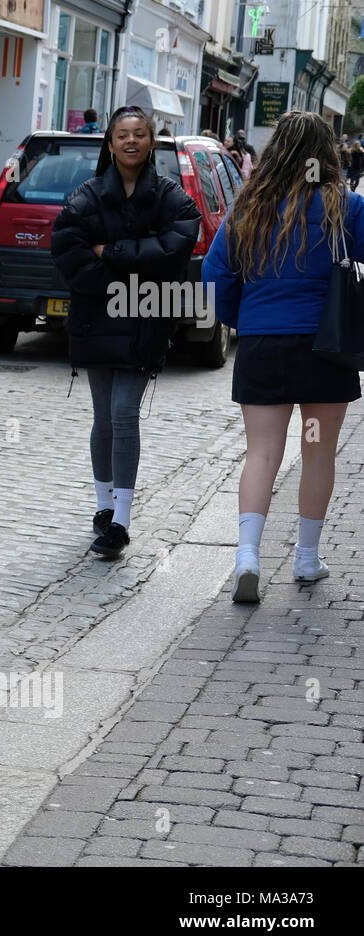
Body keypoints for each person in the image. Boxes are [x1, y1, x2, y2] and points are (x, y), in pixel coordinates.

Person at [201, 111, 364, 602]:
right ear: (326, 153)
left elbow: (214, 277)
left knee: (263, 452)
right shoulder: (348, 208)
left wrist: (241, 320)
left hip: (264, 345)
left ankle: (247, 555)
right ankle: (307, 558)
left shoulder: (249, 206)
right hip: (325, 349)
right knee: (316, 451)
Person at [52, 105, 202, 559]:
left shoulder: (172, 197)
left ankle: (121, 521)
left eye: (140, 134)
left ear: (151, 141)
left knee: (123, 413)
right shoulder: (88, 194)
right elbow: (66, 246)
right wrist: (120, 279)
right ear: (110, 142)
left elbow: (175, 247)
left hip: (146, 316)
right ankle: (102, 508)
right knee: (102, 416)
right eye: (122, 135)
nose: (131, 141)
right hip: (98, 317)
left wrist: (112, 252)